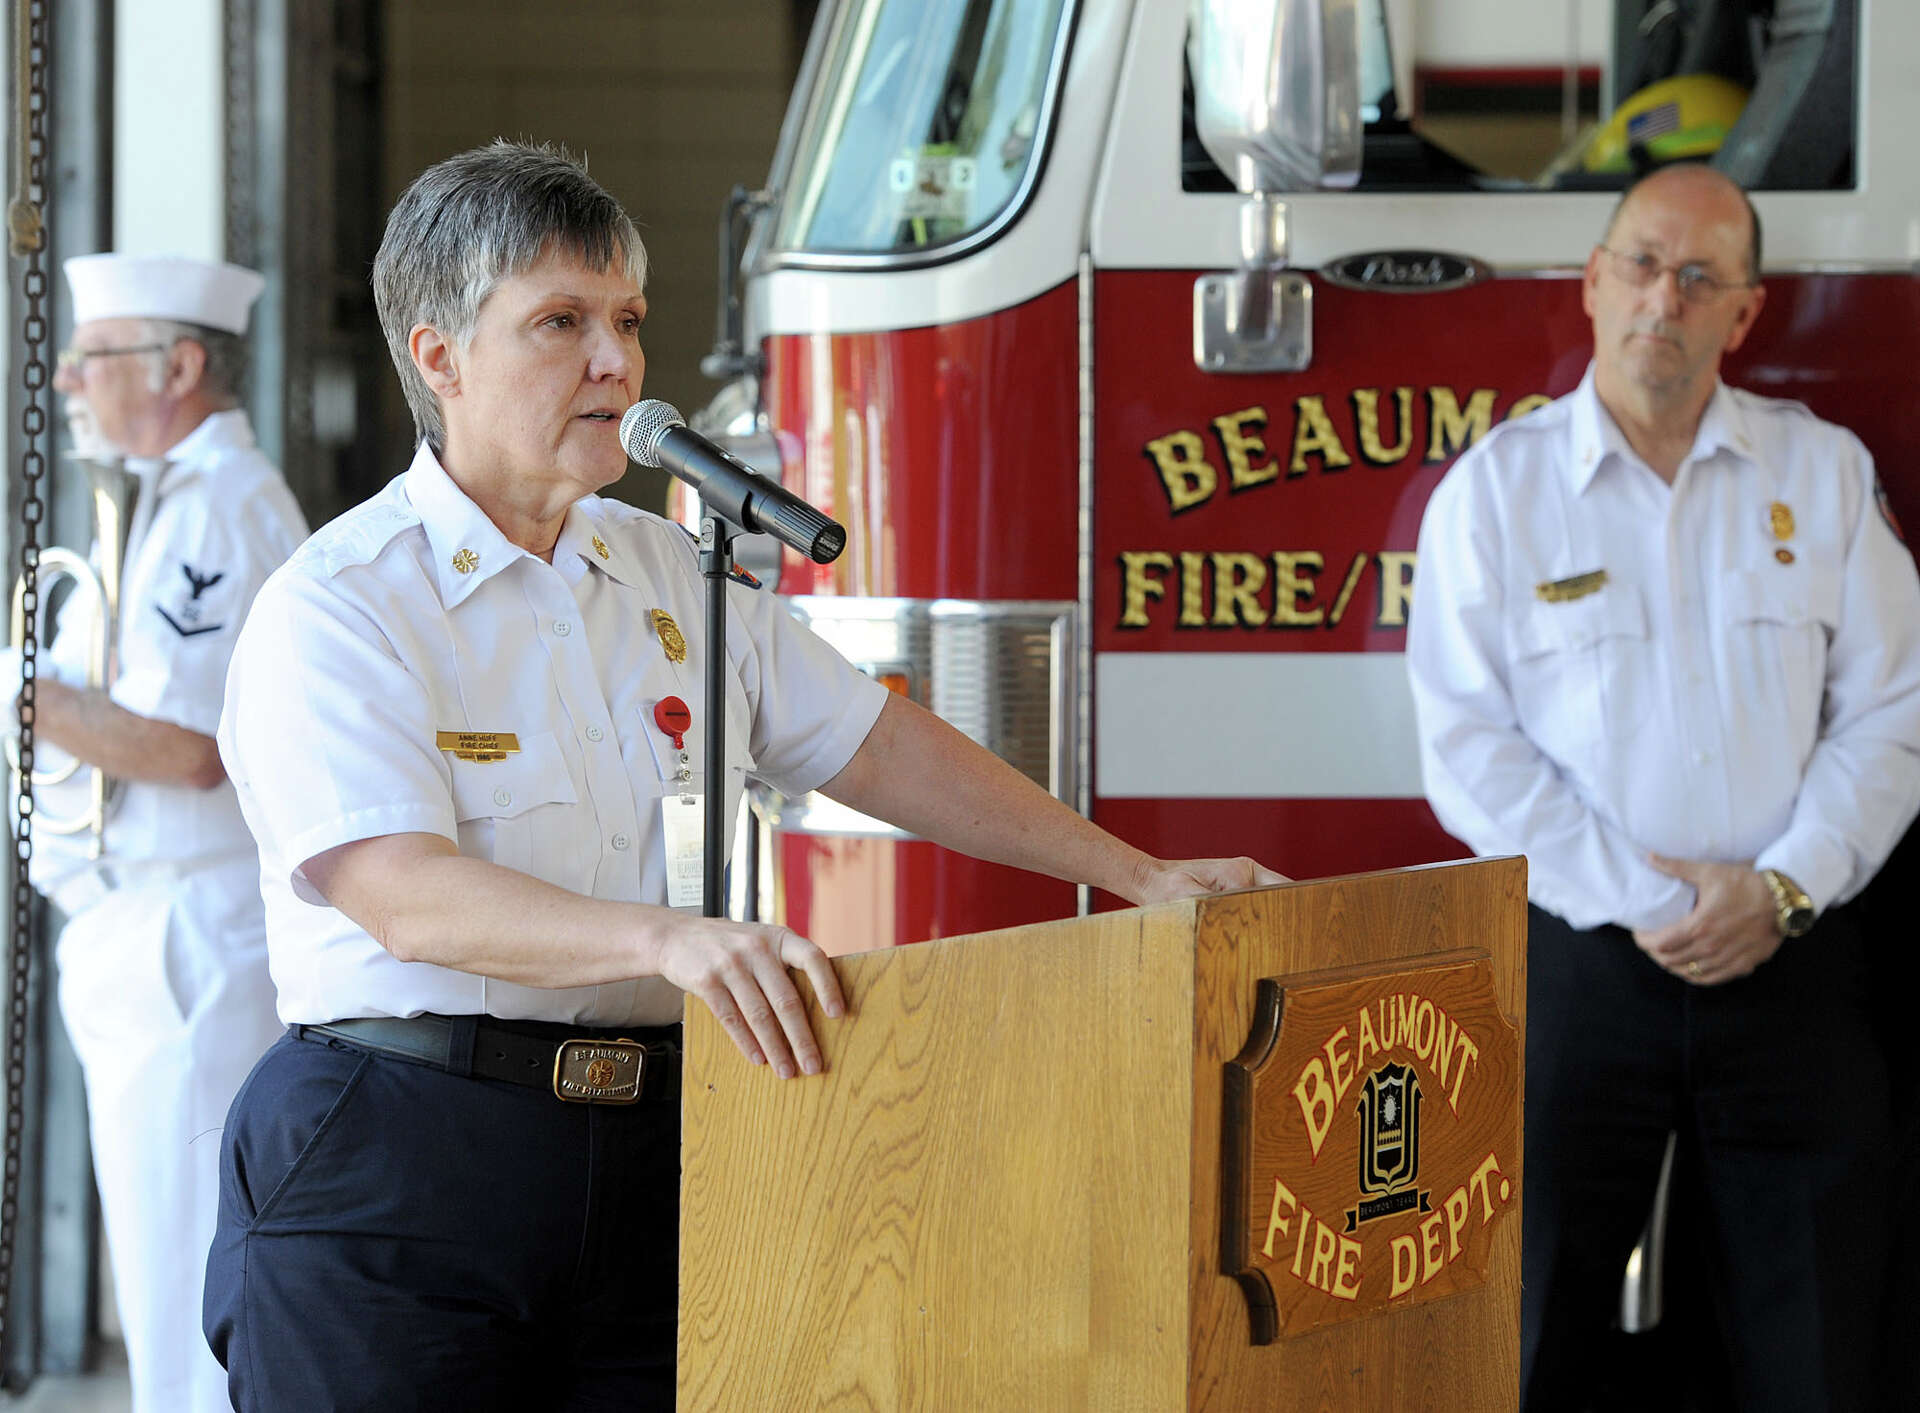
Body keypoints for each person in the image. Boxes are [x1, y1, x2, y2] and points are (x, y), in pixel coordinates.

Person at [201, 140, 1285, 1411]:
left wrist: (1132, 874)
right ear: (438, 358)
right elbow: (401, 895)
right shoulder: (340, 604)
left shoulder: (669, 568)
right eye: (561, 322)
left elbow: (871, 741)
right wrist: (670, 940)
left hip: (662, 1144)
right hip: (400, 1154)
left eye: (628, 321)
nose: (616, 361)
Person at [1407, 162, 1920, 1412]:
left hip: (1791, 962)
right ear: (1592, 285)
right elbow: (1466, 747)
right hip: (1581, 968)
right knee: (1523, 1339)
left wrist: (1783, 888)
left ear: (1745, 314)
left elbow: (1898, 712)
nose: (1663, 299)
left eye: (1700, 278)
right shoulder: (1499, 495)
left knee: (1820, 1354)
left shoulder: (1826, 477)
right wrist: (1648, 899)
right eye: (1639, 264)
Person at [14, 254, 308, 1413]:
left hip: (182, 927)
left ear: (181, 366)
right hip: (141, 924)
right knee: (157, 1264)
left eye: (98, 356)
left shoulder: (220, 510)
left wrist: (25, 697)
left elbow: (190, 749)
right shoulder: (175, 497)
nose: (70, 380)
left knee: (182, 1274)